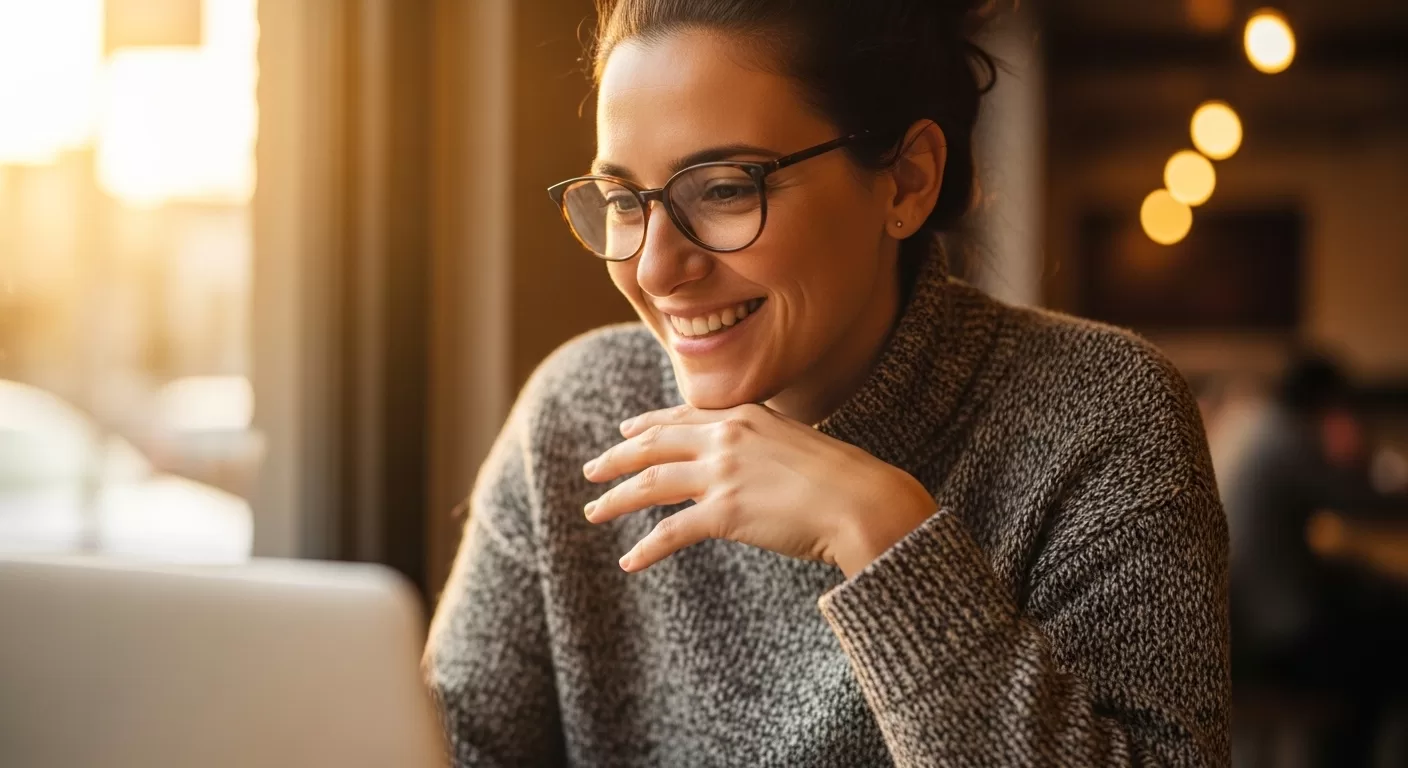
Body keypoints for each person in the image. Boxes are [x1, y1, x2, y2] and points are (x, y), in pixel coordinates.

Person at [423, 1, 1230, 765]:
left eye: (725, 188)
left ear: (906, 180)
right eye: (623, 200)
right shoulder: (579, 412)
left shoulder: (1101, 412)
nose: (657, 268)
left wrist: (881, 534)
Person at [1224, 353, 1408, 766]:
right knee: (1390, 651)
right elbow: (1358, 500)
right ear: (1328, 402)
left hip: (1250, 626)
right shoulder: (1286, 440)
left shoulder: (1257, 427)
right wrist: (1358, 451)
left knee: (1381, 620)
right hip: (1277, 639)